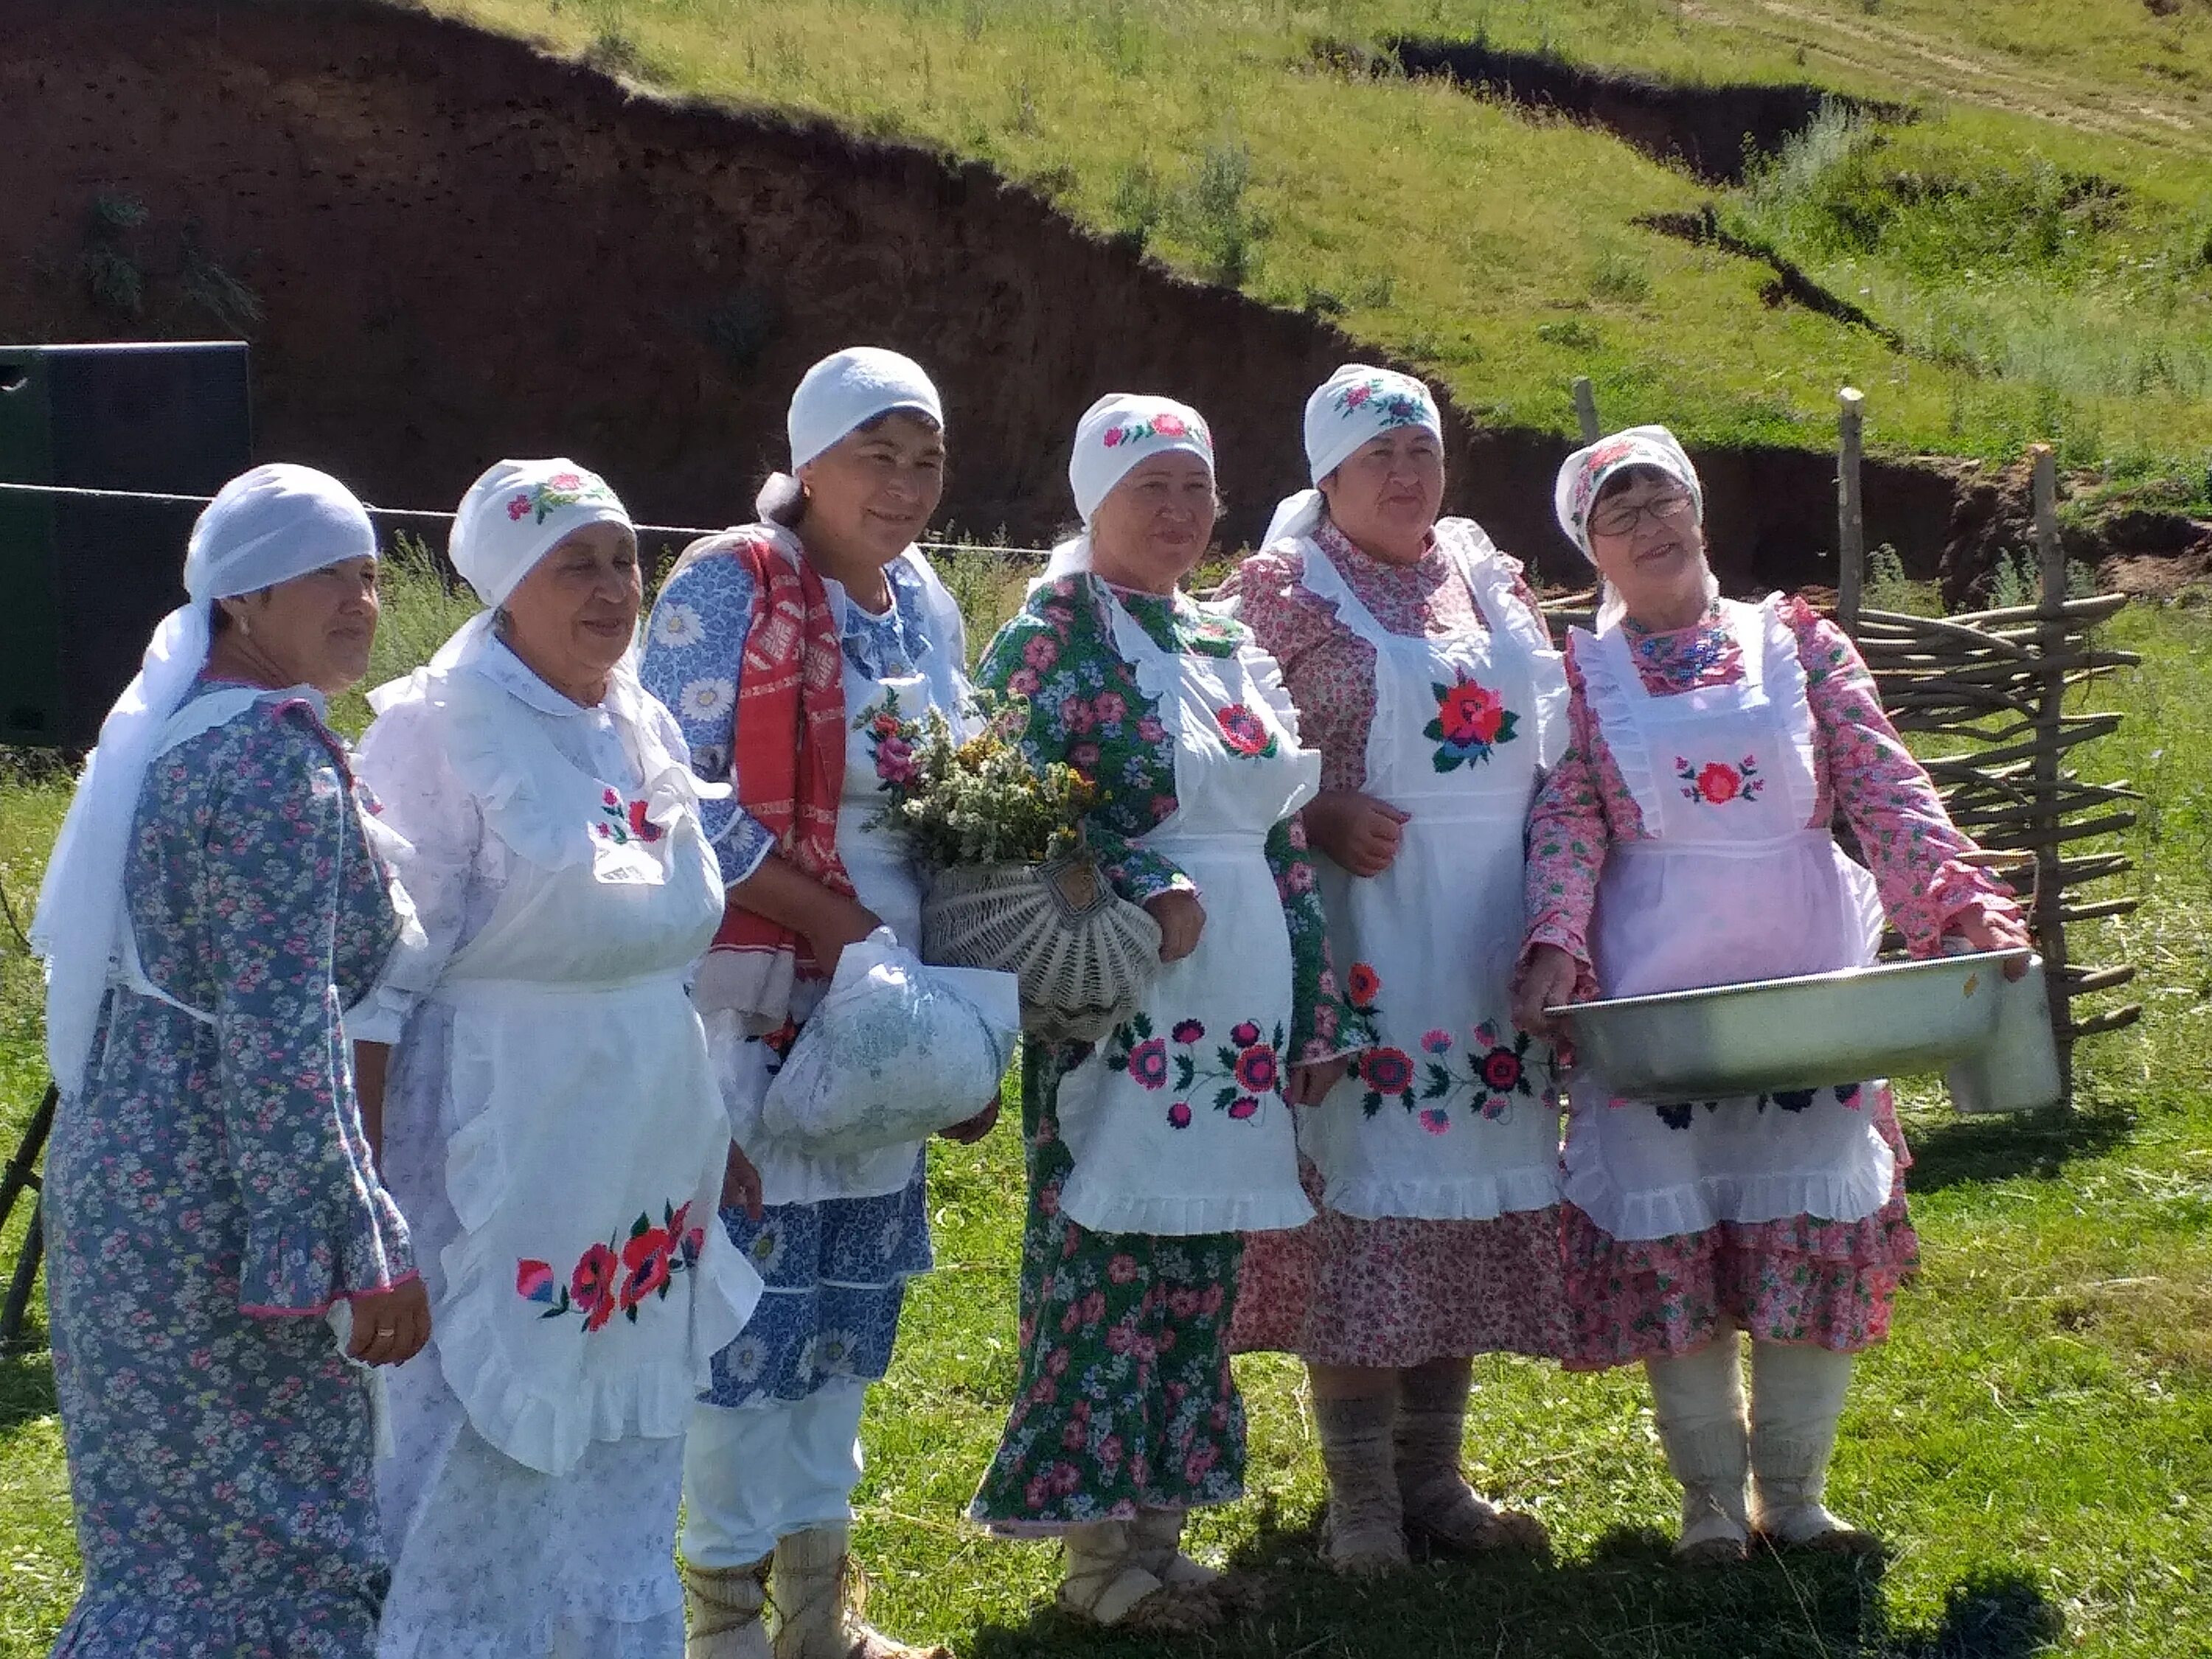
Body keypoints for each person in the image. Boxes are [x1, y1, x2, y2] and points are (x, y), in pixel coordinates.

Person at [1511, 425, 2030, 1563]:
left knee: (1809, 1214)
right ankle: (1707, 1498)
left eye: (1662, 501)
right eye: (1619, 513)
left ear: (1698, 513)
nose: (1648, 526)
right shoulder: (1579, 677)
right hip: (1658, 992)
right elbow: (1569, 817)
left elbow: (1887, 785)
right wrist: (1555, 938)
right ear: (1591, 546)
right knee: (1671, 1228)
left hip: (1806, 973)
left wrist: (1960, 905)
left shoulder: (1799, 642)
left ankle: (1794, 1492)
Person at [352, 459, 762, 1656]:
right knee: (485, 1423)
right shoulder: (438, 726)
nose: (609, 586)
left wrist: (707, 1131)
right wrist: (369, 1195)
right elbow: (378, 982)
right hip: (496, 1130)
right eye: (570, 563)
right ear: (502, 585)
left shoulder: (637, 718)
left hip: (639, 1142)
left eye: (622, 558)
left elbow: (665, 951)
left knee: (625, 1430)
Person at [967, 393, 1352, 1631]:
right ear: (1094, 498)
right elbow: (1004, 806)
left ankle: (1160, 1532)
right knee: (1102, 1268)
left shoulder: (1223, 639)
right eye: (1152, 488)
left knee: (1200, 1266)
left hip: (1236, 1009)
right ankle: (1096, 1562)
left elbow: (1281, 843)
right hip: (1120, 999)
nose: (1181, 512)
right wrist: (1138, 878)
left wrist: (1314, 1004)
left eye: (1197, 487)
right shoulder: (1052, 636)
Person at [36, 464, 426, 1655]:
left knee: (160, 1554)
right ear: (245, 600)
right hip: (217, 1211)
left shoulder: (172, 736)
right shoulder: (266, 762)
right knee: (275, 1547)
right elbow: (282, 1037)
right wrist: (361, 1248)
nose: (363, 600)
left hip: (121, 1190)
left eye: (370, 573)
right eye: (330, 577)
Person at [641, 347, 991, 1659]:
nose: (904, 486)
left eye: (926, 458)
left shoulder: (926, 607)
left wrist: (953, 991)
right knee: (751, 1310)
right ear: (809, 459)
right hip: (758, 990)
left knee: (843, 1313)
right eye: (876, 453)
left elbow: (956, 795)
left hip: (885, 998)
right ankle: (727, 1630)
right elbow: (680, 791)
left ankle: (814, 1625)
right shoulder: (730, 582)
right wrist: (834, 922)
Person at [1219, 364, 1568, 1573]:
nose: (1409, 473)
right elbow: (1222, 747)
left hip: (1482, 939)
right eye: (1380, 456)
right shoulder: (1279, 591)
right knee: (1365, 1205)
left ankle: (1436, 1478)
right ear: (1327, 475)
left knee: (1457, 1198)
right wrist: (1315, 817)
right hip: (1361, 937)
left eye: (1421, 447)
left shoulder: (1490, 576)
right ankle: (1360, 1495)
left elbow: (1559, 747)